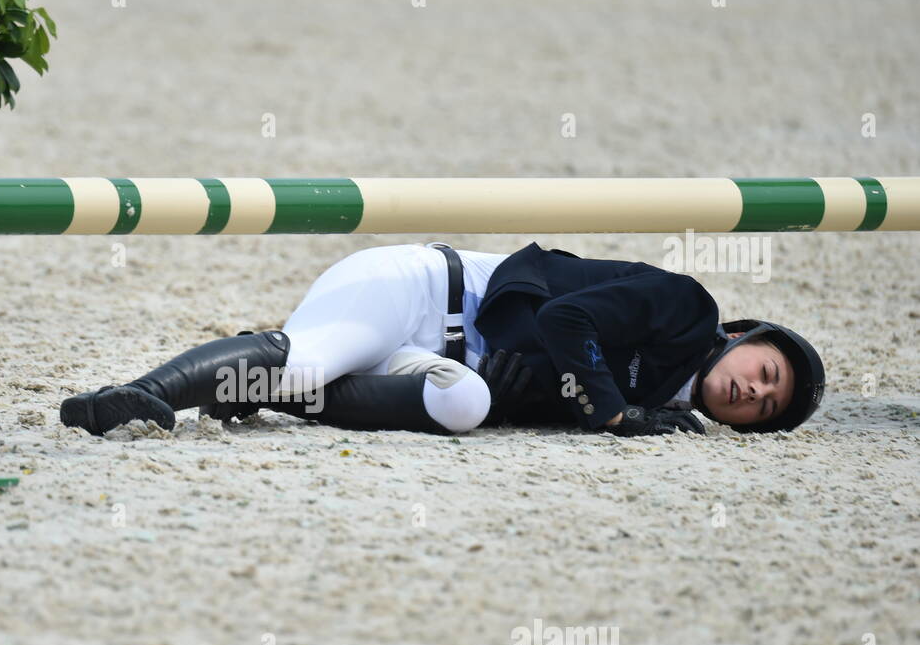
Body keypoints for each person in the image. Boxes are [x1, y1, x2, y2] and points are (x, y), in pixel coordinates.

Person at [59, 241, 824, 438]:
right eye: (765, 370)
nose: (755, 391)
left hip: (439, 359)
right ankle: (142, 395)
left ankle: (261, 395)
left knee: (469, 408)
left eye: (766, 406)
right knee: (311, 359)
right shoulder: (687, 308)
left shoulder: (669, 408)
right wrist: (613, 411)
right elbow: (564, 321)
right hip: (419, 291)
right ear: (741, 335)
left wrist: (605, 407)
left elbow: (528, 390)